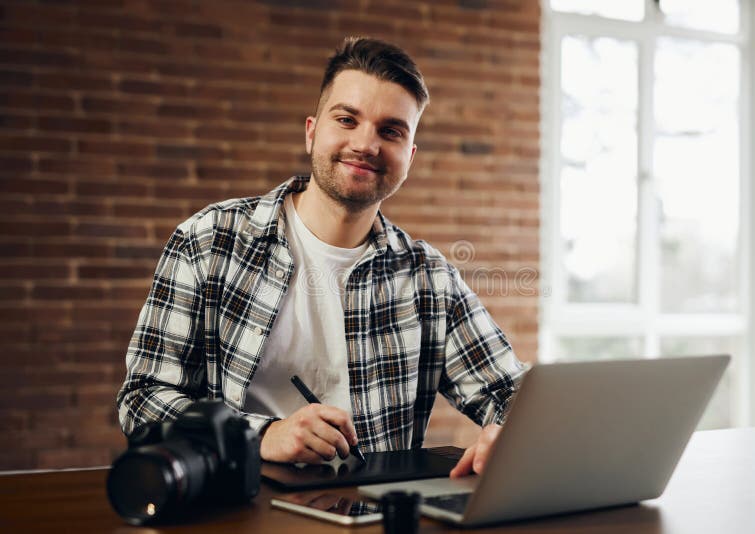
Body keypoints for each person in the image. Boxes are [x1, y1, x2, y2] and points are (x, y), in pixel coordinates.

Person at [117, 36, 528, 478]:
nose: (366, 144)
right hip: (235, 508)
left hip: (374, 515)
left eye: (390, 131)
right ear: (312, 131)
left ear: (409, 157)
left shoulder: (429, 278)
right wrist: (261, 435)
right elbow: (143, 401)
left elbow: (512, 392)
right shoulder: (209, 240)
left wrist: (510, 429)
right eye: (347, 119)